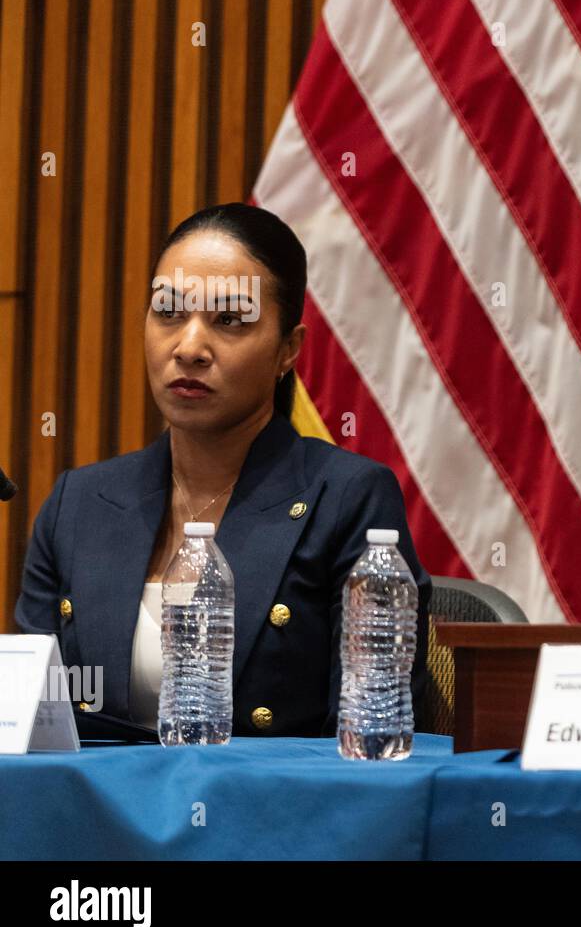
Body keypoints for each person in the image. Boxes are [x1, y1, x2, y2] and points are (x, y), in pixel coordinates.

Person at [14, 203, 433, 738]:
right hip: (92, 812)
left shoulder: (347, 498)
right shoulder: (79, 503)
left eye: (230, 321)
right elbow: (33, 727)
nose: (189, 347)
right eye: (168, 313)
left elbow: (367, 746)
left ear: (288, 350)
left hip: (264, 813)